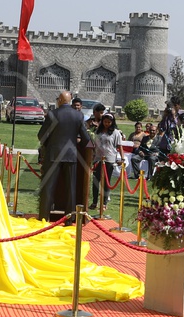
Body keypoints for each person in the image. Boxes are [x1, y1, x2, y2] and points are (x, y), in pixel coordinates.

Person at [37, 91, 92, 220]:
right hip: (71, 154)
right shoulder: (78, 116)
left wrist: (49, 145)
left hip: (53, 154)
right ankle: (70, 218)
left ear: (60, 100)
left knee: (48, 188)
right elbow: (86, 138)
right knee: (70, 188)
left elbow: (41, 136)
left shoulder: (52, 114)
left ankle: (44, 217)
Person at [90, 112, 125, 214]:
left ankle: (104, 202)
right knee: (96, 180)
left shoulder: (116, 132)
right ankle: (95, 201)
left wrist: (122, 159)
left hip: (109, 159)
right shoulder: (97, 131)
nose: (107, 124)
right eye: (105, 122)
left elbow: (119, 146)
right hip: (98, 158)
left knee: (106, 181)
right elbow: (93, 144)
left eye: (109, 122)